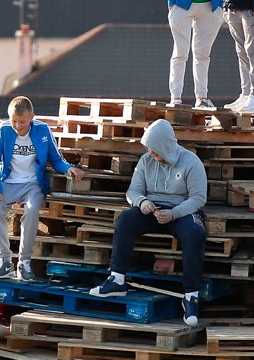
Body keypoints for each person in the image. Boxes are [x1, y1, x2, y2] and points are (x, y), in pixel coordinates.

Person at [89, 119, 208, 327]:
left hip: (181, 211)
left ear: (165, 146)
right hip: (151, 209)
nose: (151, 153)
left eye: (155, 149)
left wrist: (174, 214)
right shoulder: (145, 160)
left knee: (195, 233)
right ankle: (117, 278)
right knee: (126, 219)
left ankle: (191, 295)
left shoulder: (191, 161)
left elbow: (198, 198)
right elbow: (133, 191)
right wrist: (141, 201)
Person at [0, 96, 86, 280]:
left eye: (22, 121)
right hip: (8, 182)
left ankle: (24, 262)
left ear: (32, 117)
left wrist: (68, 168)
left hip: (33, 183)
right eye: (14, 121)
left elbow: (55, 159)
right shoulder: (4, 130)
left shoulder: (43, 130)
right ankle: (5, 261)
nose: (17, 126)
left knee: (32, 212)